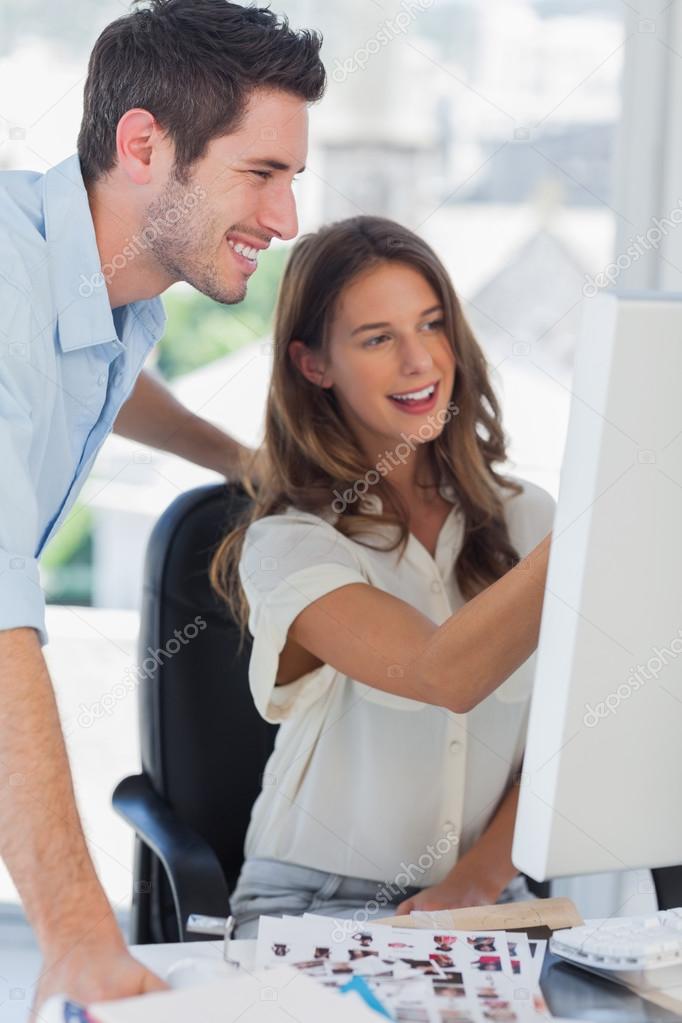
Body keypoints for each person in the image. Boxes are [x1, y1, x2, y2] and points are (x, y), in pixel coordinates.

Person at [0, 0, 325, 1016]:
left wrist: (239, 458)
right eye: (260, 174)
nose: (285, 222)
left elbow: (96, 375)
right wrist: (81, 937)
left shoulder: (109, 286)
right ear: (144, 143)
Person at [211, 216, 556, 937]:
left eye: (431, 325)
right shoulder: (288, 544)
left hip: (482, 899)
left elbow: (567, 739)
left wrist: (475, 879)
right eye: (377, 338)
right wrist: (598, 527)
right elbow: (443, 672)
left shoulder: (532, 521)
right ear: (314, 364)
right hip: (314, 903)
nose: (419, 361)